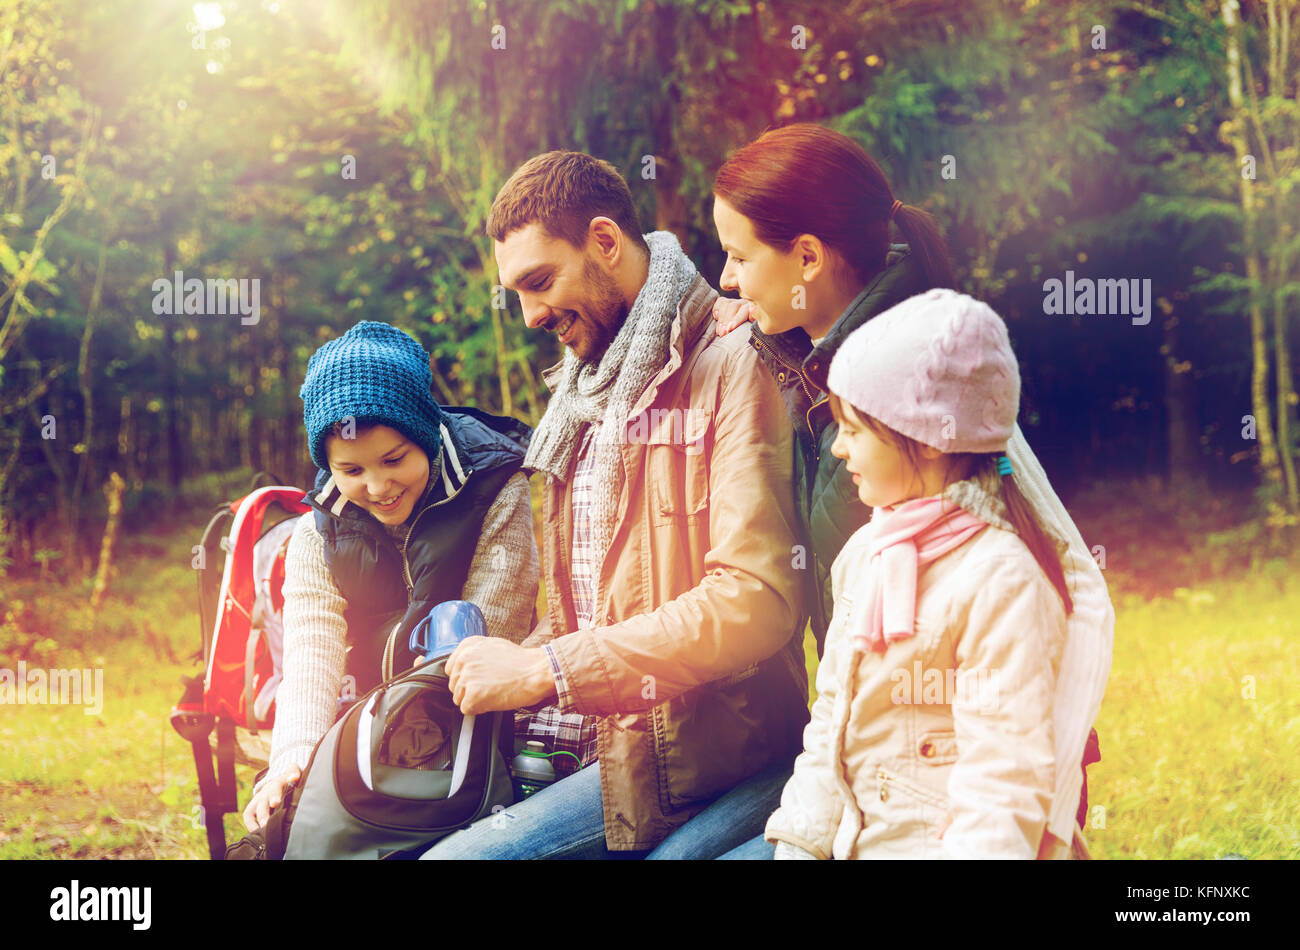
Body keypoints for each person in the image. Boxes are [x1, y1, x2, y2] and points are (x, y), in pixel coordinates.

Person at [706, 123, 1107, 857]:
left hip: (968, 778)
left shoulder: (924, 381)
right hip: (870, 754)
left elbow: (1072, 577)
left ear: (806, 257)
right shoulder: (812, 369)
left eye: (736, 257)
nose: (726, 280)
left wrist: (1050, 818)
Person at [417, 150, 810, 859]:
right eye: (517, 294)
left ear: (605, 240)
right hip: (588, 739)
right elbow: (586, 616)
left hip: (697, 753)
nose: (531, 313)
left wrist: (548, 670)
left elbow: (754, 601)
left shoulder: (731, 360)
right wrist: (513, 663)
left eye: (540, 282)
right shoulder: (579, 397)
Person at [764, 288, 1112, 859]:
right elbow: (829, 726)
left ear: (927, 439)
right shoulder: (866, 555)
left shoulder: (1002, 581)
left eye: (854, 429)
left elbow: (1003, 781)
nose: (840, 450)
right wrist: (800, 845)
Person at [241, 320, 539, 832]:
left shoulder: (495, 489)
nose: (377, 487)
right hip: (368, 727)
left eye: (394, 459)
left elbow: (493, 638)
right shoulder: (318, 531)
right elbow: (312, 650)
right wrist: (293, 758)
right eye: (351, 470)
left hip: (481, 728)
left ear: (423, 435)